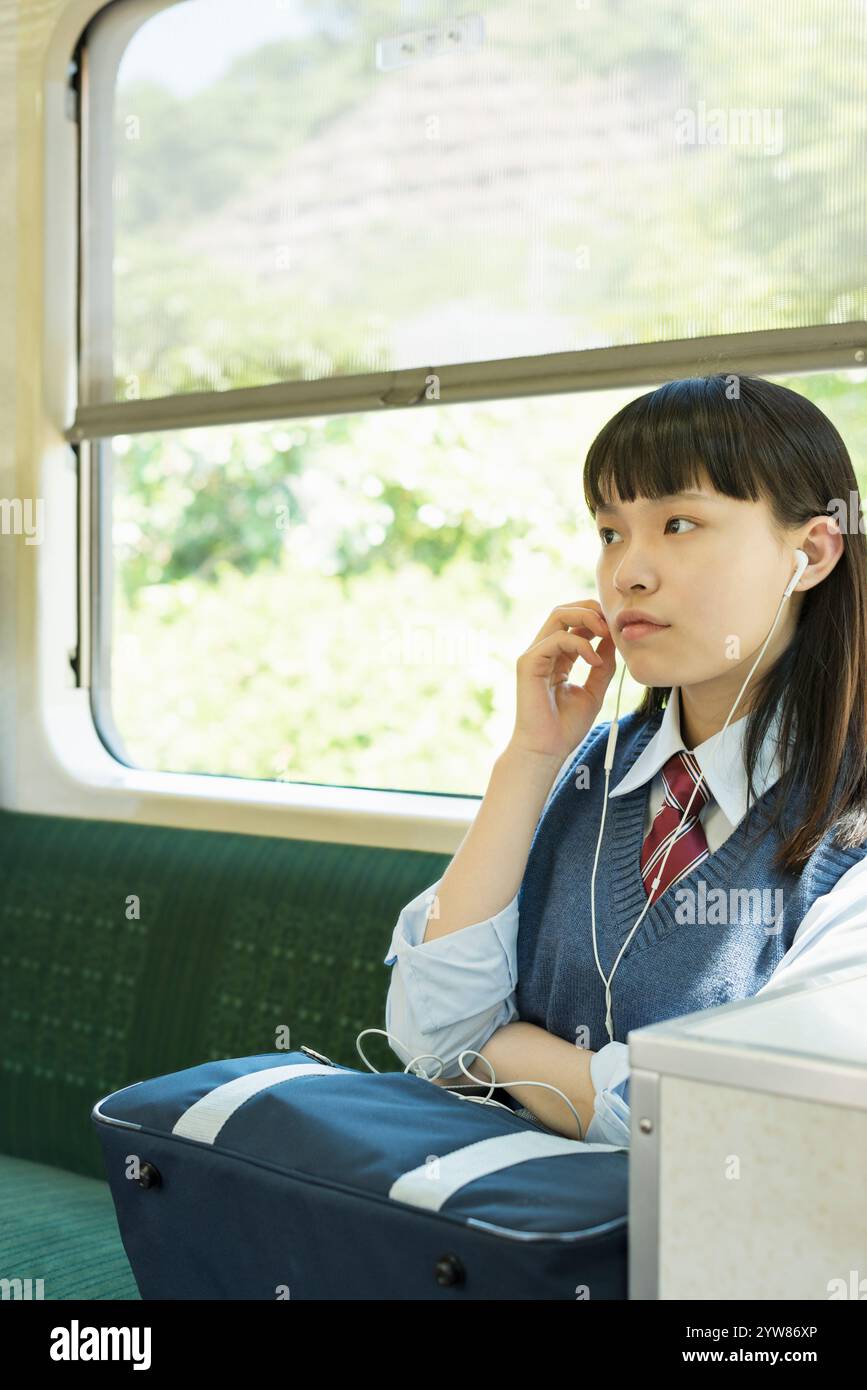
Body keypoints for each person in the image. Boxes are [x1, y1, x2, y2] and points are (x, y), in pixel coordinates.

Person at [382, 373, 867, 1146]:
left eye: (678, 523)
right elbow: (428, 1032)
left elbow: (740, 1129)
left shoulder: (850, 835)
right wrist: (531, 757)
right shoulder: (586, 772)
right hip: (502, 1236)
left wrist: (502, 1047)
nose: (627, 572)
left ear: (809, 553)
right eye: (610, 532)